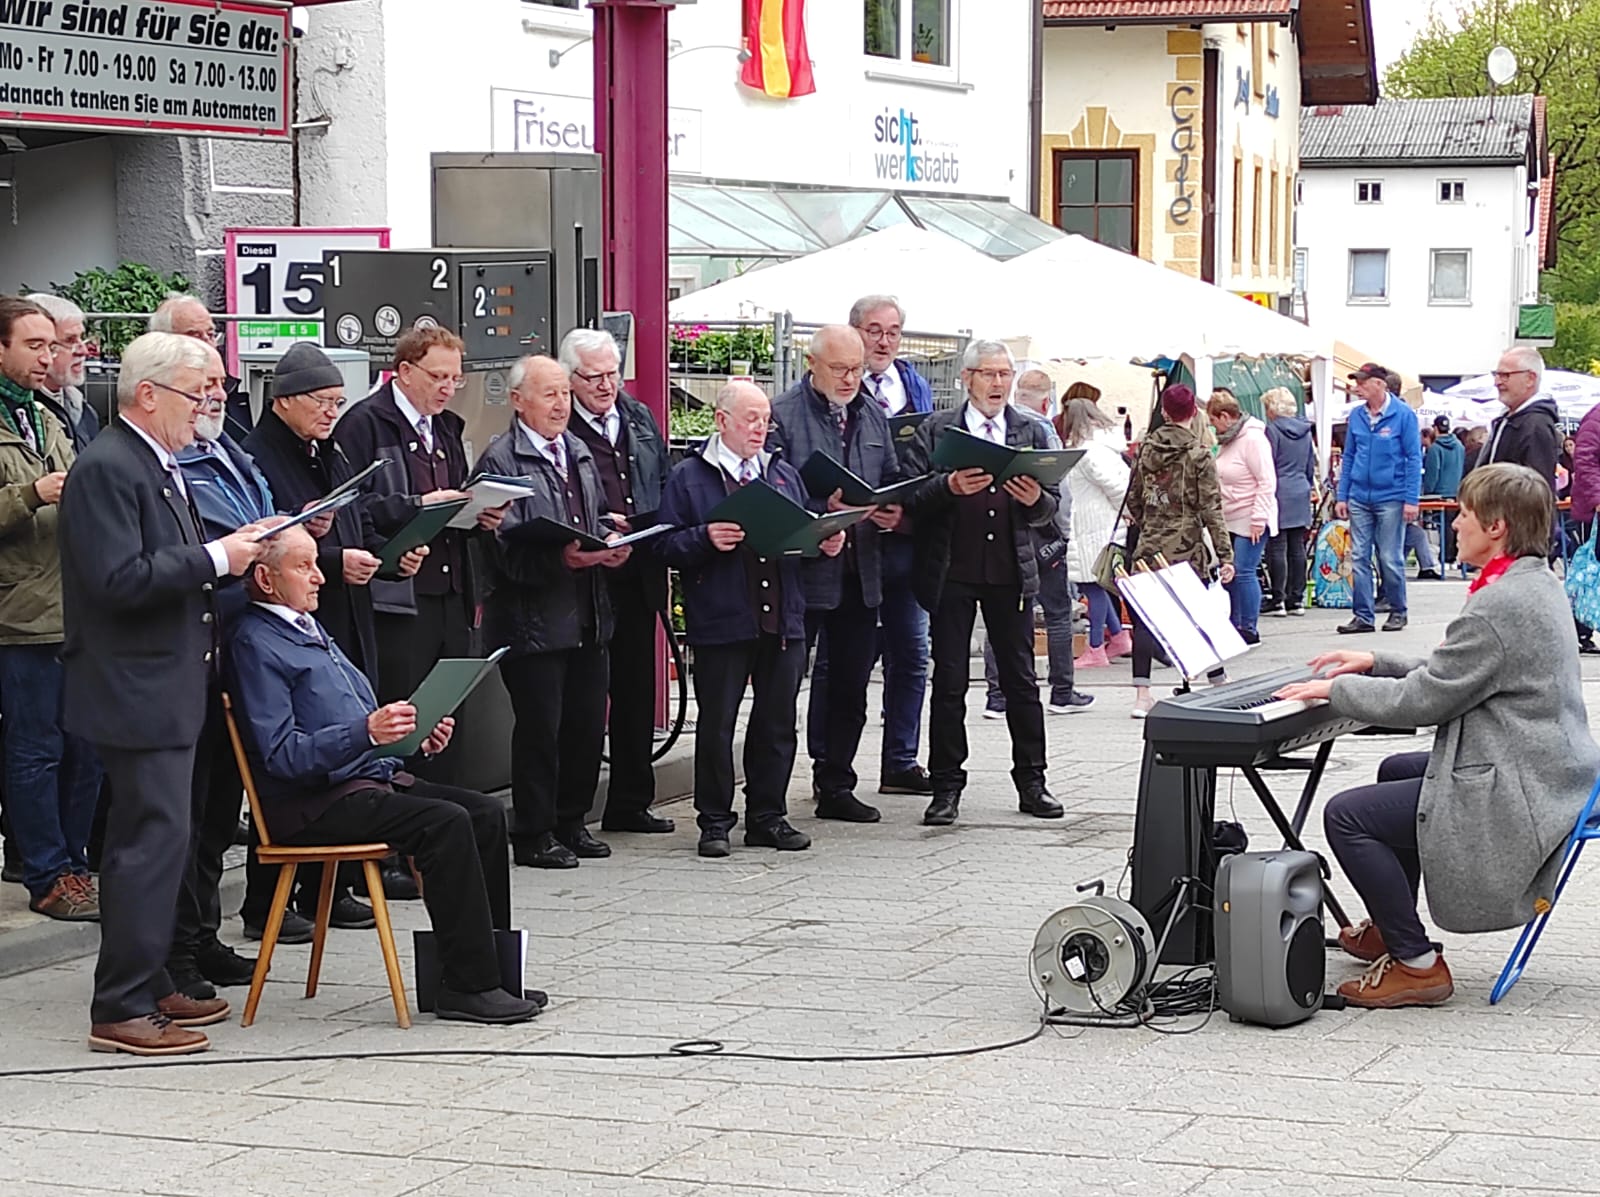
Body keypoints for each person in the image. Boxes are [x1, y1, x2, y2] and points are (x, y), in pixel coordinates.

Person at [1276, 464, 1599, 1008]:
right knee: (1394, 771)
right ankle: (1392, 924)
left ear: (1496, 527)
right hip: (1545, 765)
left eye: (1465, 515)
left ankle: (1418, 964)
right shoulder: (1533, 581)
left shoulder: (1502, 603)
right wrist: (1376, 661)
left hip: (1527, 787)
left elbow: (1425, 700)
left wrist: (1336, 691)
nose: (1455, 525)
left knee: (1348, 816)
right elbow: (1463, 671)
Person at [226, 522, 541, 1025]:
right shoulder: (256, 642)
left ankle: (493, 971)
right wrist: (367, 733)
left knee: (483, 813)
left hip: (359, 782)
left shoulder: (307, 629)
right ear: (265, 579)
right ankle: (467, 984)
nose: (319, 577)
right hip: (311, 803)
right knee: (444, 822)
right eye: (304, 567)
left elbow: (358, 731)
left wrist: (412, 739)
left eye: (316, 564)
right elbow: (281, 754)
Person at [60, 331, 268, 1055]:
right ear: (147, 394)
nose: (206, 404)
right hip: (135, 685)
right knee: (146, 844)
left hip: (168, 681)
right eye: (194, 392)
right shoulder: (109, 466)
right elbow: (117, 579)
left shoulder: (158, 461)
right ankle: (122, 1004)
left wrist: (237, 548)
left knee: (163, 840)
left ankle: (150, 981)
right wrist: (219, 556)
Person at [243, 343, 423, 936]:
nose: (331, 412)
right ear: (284, 400)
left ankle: (333, 887)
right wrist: (328, 556)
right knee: (302, 756)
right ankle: (267, 904)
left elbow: (359, 519)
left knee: (348, 742)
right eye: (322, 401)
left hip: (339, 610)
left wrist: (390, 559)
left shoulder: (330, 449)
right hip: (293, 617)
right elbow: (266, 549)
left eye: (338, 402)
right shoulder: (259, 454)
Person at [657, 381, 838, 857]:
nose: (761, 429)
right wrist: (704, 538)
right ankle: (714, 821)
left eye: (765, 420)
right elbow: (663, 544)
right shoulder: (690, 476)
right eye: (751, 419)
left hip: (782, 618)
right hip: (722, 619)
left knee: (777, 722)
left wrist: (822, 540)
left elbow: (799, 536)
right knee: (717, 725)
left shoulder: (782, 473)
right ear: (722, 421)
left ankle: (767, 816)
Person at [899, 340, 1064, 826]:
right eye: (988, 374)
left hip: (1010, 572)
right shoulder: (936, 429)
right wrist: (947, 486)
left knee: (1021, 680)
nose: (997, 383)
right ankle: (946, 785)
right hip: (953, 570)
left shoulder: (1030, 430)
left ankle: (1032, 780)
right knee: (949, 680)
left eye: (1004, 374)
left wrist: (1034, 499)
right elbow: (909, 497)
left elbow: (1051, 505)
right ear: (967, 378)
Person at [476, 355, 625, 869]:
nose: (561, 404)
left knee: (586, 723)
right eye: (549, 394)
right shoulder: (501, 460)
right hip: (532, 620)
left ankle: (571, 820)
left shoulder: (577, 450)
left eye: (564, 392)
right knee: (541, 728)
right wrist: (560, 559)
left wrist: (610, 539)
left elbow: (593, 514)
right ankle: (534, 831)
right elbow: (497, 548)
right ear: (519, 401)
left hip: (587, 612)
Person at [168, 343, 284, 997]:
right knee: (185, 813)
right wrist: (246, 546)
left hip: (233, 644)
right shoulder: (169, 462)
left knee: (217, 808)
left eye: (220, 380)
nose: (216, 392)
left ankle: (203, 934)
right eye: (204, 383)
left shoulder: (225, 446)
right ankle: (178, 949)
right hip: (192, 650)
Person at [333, 327, 487, 790]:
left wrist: (480, 510)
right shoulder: (364, 424)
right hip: (397, 598)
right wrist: (417, 505)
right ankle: (403, 817)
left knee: (447, 715)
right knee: (404, 713)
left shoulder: (448, 427)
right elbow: (351, 506)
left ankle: (449, 817)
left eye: (455, 378)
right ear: (404, 371)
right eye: (437, 376)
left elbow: (457, 496)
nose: (447, 388)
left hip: (452, 591)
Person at [772, 326, 902, 823]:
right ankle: (771, 794)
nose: (850, 379)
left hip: (860, 570)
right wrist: (817, 510)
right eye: (840, 369)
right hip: (803, 574)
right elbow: (771, 489)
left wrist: (893, 510)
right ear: (812, 364)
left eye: (857, 369)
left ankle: (837, 784)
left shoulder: (871, 413)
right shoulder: (784, 415)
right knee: (784, 686)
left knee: (851, 685)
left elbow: (889, 477)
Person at [0, 297, 103, 922]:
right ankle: (44, 873)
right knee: (35, 750)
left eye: (53, 345)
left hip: (76, 608)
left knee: (86, 747)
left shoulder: (46, 415)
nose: (49, 357)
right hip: (21, 613)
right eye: (34, 346)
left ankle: (75, 865)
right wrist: (30, 494)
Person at [558, 328, 675, 835]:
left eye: (612, 374)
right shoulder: (562, 426)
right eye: (594, 377)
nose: (607, 386)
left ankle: (631, 801)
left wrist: (652, 521)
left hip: (638, 568)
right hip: (588, 576)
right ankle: (573, 811)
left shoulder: (638, 417)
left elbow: (664, 478)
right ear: (570, 379)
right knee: (585, 699)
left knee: (636, 690)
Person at [823, 294, 933, 798]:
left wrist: (905, 515)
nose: (884, 341)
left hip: (902, 543)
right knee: (842, 661)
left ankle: (901, 760)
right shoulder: (833, 388)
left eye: (892, 332)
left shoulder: (913, 386)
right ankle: (828, 763)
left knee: (911, 653)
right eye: (874, 330)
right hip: (849, 548)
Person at [981, 372, 1092, 715]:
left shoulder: (996, 426)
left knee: (1001, 615)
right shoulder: (1042, 430)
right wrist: (1063, 533)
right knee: (1057, 614)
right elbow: (1060, 489)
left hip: (1000, 535)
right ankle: (1062, 691)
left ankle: (996, 696)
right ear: (1046, 402)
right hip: (1041, 535)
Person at [1126, 385, 1235, 718]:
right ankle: (1217, 679)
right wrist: (1225, 554)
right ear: (1194, 412)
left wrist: (1151, 522)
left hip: (1149, 544)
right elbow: (1211, 509)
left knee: (1145, 620)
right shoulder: (1199, 454)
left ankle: (1142, 695)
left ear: (1164, 411)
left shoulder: (1145, 450)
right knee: (1197, 613)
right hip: (1186, 544)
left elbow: (1133, 499)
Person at [1336, 363, 1419, 635]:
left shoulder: (1403, 415)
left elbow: (1413, 458)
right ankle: (1363, 615)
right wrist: (1343, 495)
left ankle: (1398, 610)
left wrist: (1411, 499)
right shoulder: (1357, 416)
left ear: (1379, 384)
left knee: (1389, 556)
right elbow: (1349, 456)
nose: (1357, 387)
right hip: (1360, 495)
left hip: (1391, 496)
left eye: (1362, 382)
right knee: (1359, 555)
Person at [1062, 398, 1132, 667]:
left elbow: (1114, 486)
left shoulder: (1087, 453)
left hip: (1092, 525)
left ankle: (1095, 649)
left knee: (1093, 585)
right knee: (1096, 582)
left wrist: (1125, 510)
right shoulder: (1105, 448)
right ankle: (1118, 636)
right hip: (1102, 523)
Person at [1207, 390, 1276, 644]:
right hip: (1230, 514)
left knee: (1245, 570)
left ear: (1225, 417)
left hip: (1250, 515)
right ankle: (1234, 623)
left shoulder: (1253, 439)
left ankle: (1249, 627)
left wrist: (1259, 518)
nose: (1212, 426)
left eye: (1213, 420)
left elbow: (1266, 481)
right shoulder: (1228, 440)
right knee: (1231, 572)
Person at [150, 295, 252, 438]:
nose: (207, 344)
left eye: (211, 335)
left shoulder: (231, 391)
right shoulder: (157, 400)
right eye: (195, 336)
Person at [1262, 387, 1315, 617]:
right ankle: (1297, 599)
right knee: (1297, 547)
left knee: (1277, 546)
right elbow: (1310, 464)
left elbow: (1267, 463)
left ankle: (1278, 599)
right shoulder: (1306, 431)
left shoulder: (1272, 431)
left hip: (1278, 490)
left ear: (1273, 409)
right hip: (1300, 488)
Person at [25, 293, 100, 451]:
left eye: (82, 338)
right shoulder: (23, 415)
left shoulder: (83, 409)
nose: (84, 351)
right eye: (70, 340)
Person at [1481, 346, 1560, 489]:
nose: (1497, 382)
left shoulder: (1536, 425)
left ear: (1530, 379)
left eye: (1505, 375)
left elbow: (1536, 490)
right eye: (1496, 374)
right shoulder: (1508, 419)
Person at [1423, 415, 1466, 565]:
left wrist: (1427, 493)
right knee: (1454, 526)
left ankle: (1445, 558)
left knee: (1444, 527)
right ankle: (1455, 557)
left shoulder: (1435, 448)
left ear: (1435, 429)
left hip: (1439, 494)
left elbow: (1432, 474)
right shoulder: (1460, 446)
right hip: (1457, 492)